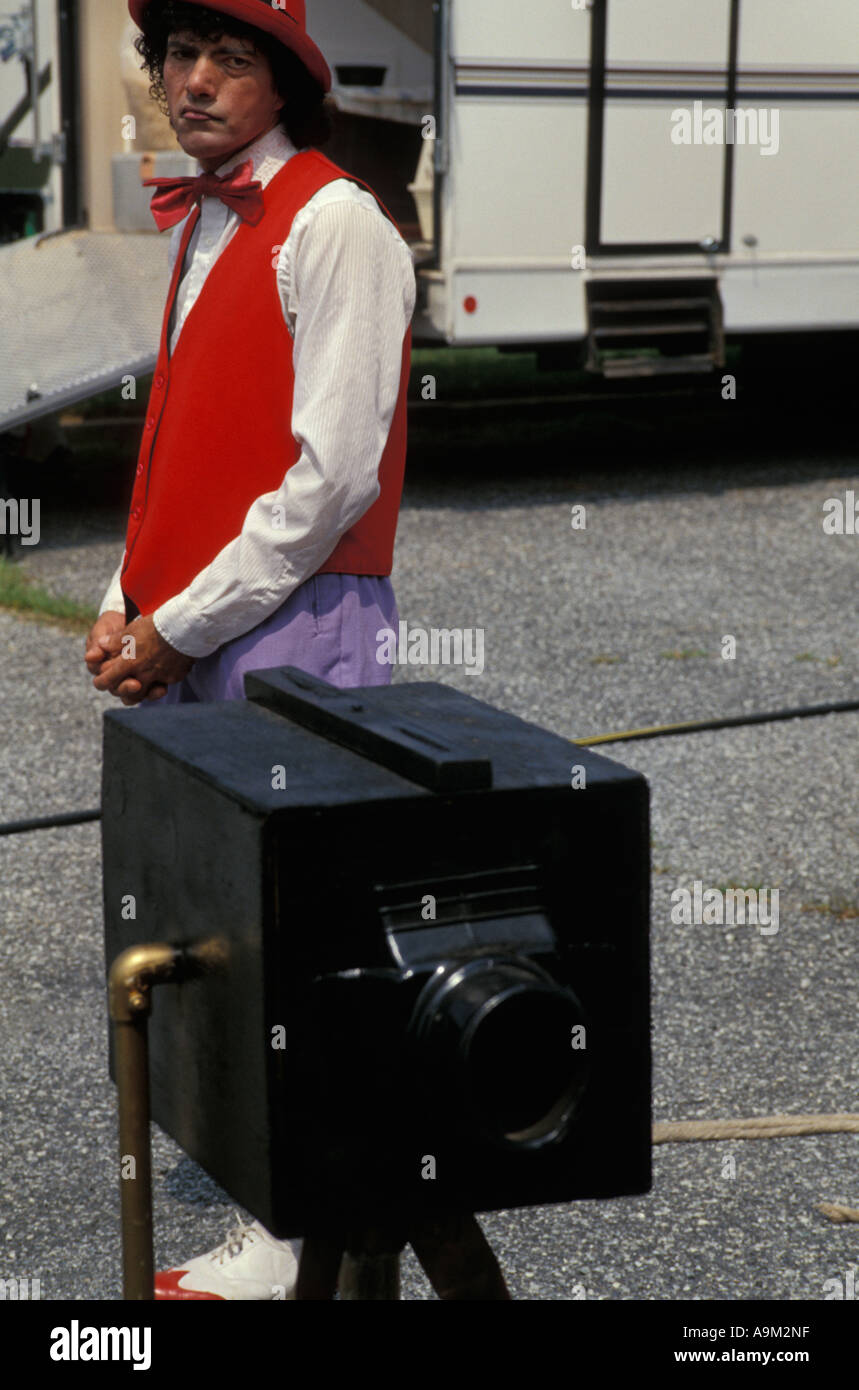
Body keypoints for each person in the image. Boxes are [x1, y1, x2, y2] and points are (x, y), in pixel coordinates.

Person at [84, 0, 415, 1297]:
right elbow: (180, 438)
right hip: (209, 621)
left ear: (284, 78)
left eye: (230, 56)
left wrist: (175, 623)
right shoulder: (209, 223)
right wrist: (125, 594)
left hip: (299, 626)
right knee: (213, 923)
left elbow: (328, 481)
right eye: (179, 54)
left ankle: (291, 1240)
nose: (196, 79)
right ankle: (269, 1217)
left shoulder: (334, 222)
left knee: (294, 933)